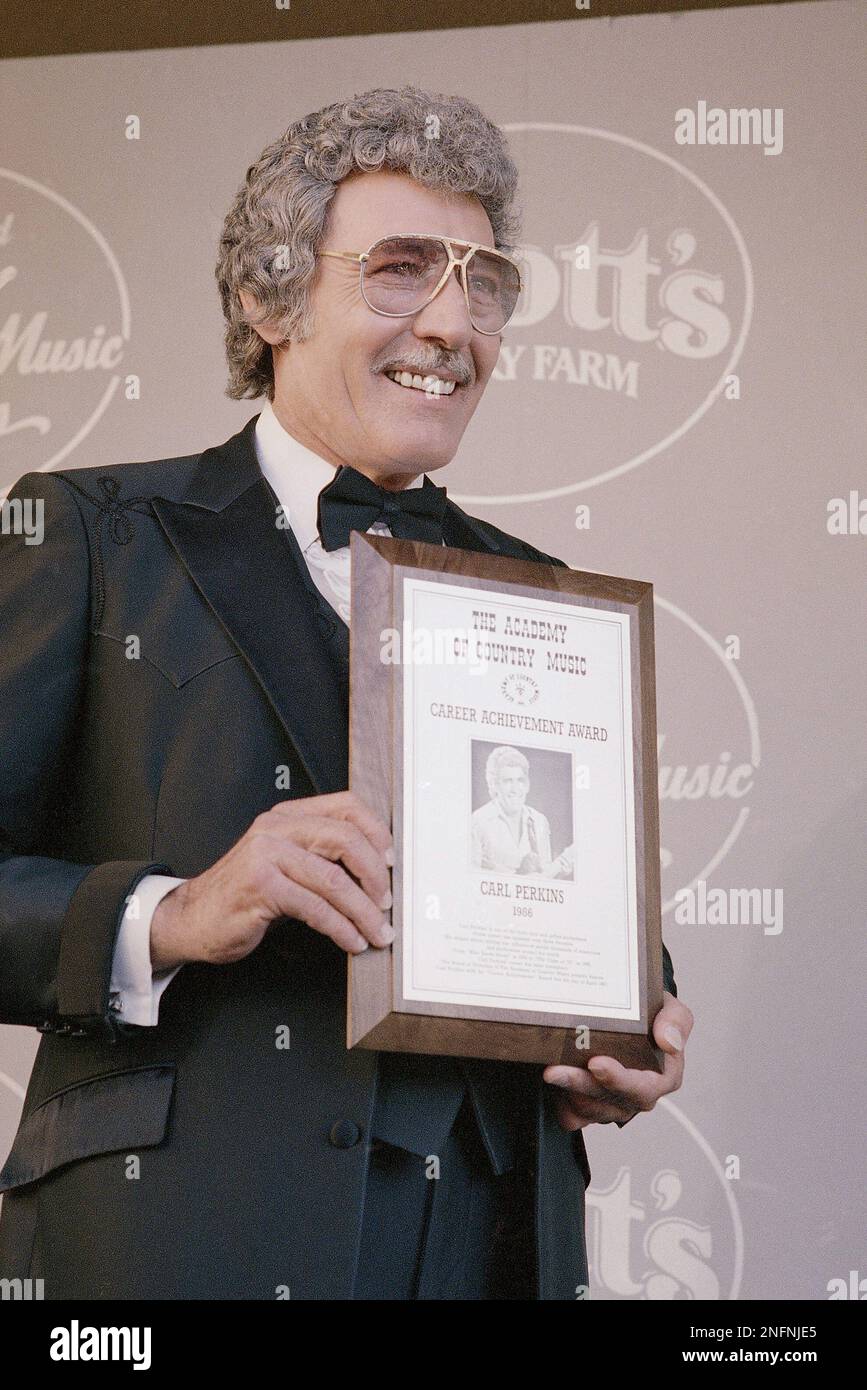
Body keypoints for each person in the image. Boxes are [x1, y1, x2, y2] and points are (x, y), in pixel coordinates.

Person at [0, 86, 692, 1300]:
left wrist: (634, 1025)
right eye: (402, 270)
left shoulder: (543, 596)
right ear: (271, 299)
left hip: (494, 1240)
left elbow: (566, 916)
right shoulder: (90, 533)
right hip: (176, 1241)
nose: (452, 322)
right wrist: (175, 908)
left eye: (482, 282)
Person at [471, 745, 553, 875]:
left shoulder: (539, 821)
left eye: (520, 780)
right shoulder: (478, 821)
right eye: (508, 781)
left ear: (527, 785)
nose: (515, 789)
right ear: (495, 785)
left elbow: (546, 875)